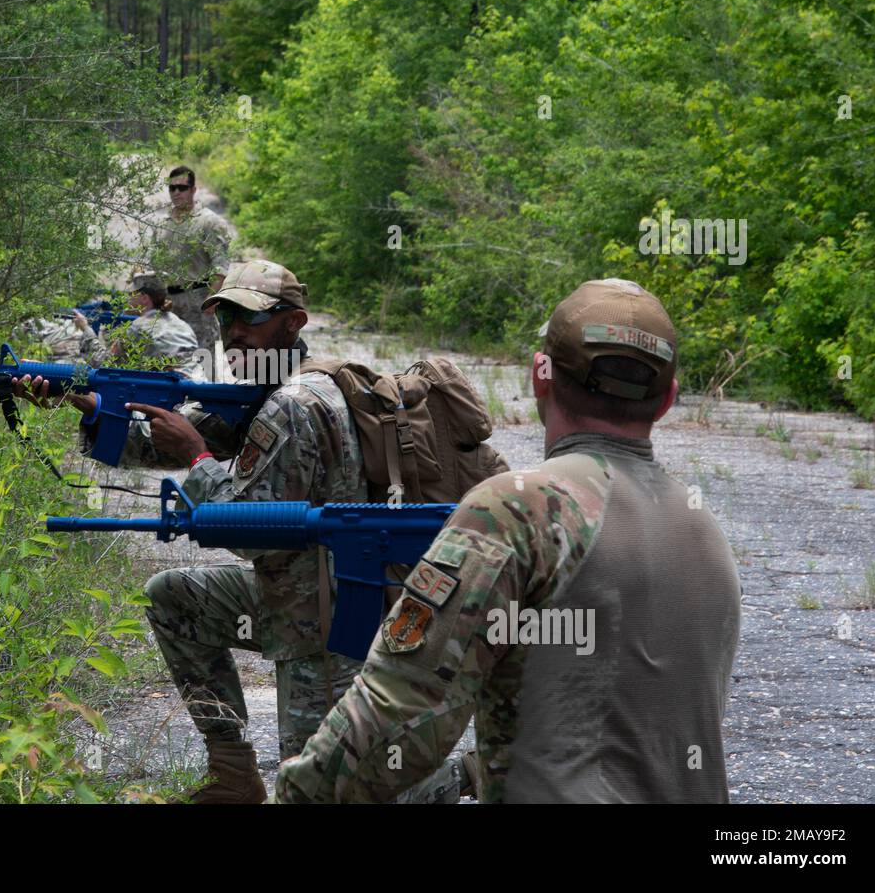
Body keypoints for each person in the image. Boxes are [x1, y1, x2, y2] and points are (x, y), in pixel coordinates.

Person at [274, 278, 742, 803]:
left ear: (540, 375)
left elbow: (401, 715)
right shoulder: (705, 530)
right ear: (668, 400)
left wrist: (295, 793)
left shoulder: (517, 509)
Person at [17, 259, 368, 803]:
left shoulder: (294, 405)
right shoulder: (267, 392)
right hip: (291, 594)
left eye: (247, 320)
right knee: (175, 597)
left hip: (323, 620)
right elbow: (156, 442)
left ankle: (465, 781)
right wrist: (85, 404)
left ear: (293, 322)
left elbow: (248, 531)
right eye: (224, 319)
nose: (232, 334)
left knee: (315, 788)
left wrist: (198, 458)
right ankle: (231, 774)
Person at [146, 166, 234, 358]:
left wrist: (211, 301)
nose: (176, 193)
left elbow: (221, 267)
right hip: (169, 304)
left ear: (193, 190)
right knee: (169, 363)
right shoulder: (162, 225)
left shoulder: (209, 222)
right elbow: (155, 267)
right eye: (172, 188)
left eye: (182, 188)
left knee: (202, 362)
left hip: (198, 301)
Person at [79, 273, 205, 379]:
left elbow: (104, 363)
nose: (128, 298)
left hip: (169, 397)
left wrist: (85, 329)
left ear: (144, 298)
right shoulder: (182, 324)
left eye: (132, 294)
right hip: (194, 390)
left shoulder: (139, 327)